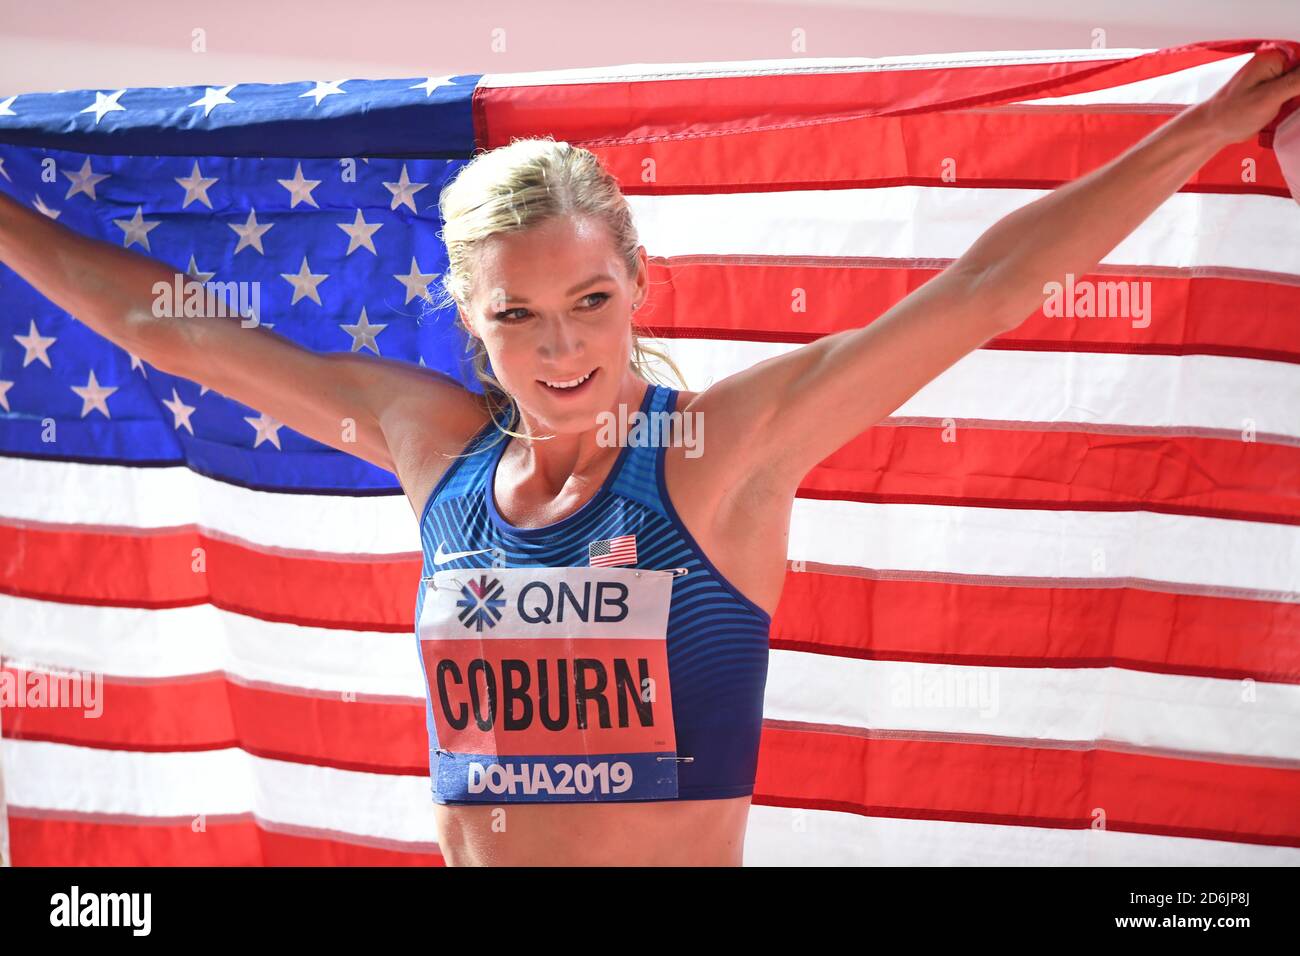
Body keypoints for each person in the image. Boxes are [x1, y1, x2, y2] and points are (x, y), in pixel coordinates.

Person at [1, 50, 1296, 868]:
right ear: (470, 318)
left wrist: (1201, 132)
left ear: (639, 285)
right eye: (515, 316)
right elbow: (179, 332)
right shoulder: (432, 446)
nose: (559, 349)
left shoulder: (714, 455)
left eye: (590, 304)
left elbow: (983, 288)